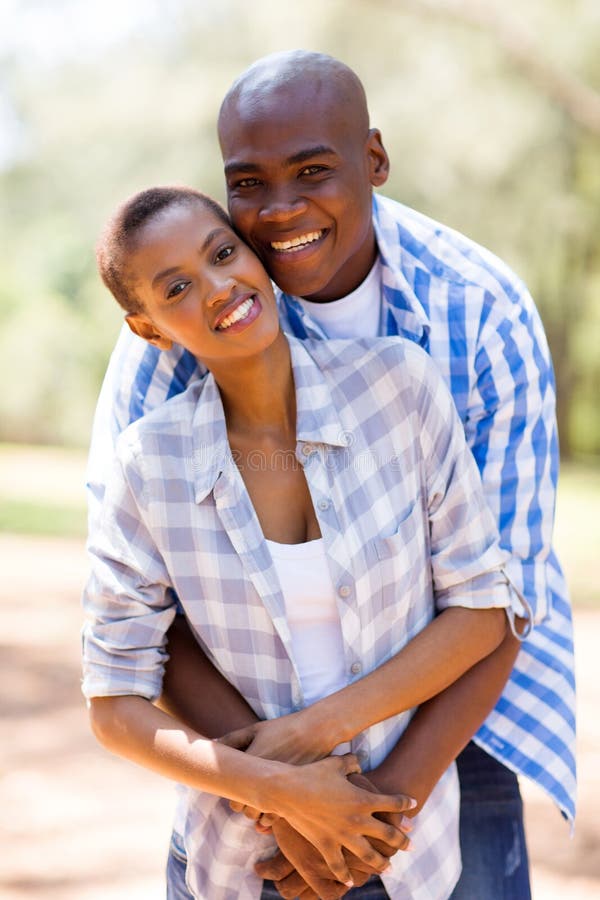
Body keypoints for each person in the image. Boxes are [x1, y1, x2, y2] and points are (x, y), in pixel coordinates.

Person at [86, 51, 576, 900]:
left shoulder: (472, 316)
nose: (280, 211)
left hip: (453, 724)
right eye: (249, 184)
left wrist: (376, 812)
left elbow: (503, 596)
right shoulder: (170, 354)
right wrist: (286, 799)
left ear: (374, 160)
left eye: (313, 171)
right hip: (246, 750)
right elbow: (141, 622)